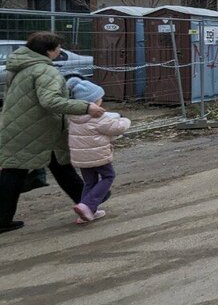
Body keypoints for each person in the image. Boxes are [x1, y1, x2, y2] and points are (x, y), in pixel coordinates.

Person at [0, 32, 105, 234]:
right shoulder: (45, 71)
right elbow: (50, 101)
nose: (59, 51)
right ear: (49, 51)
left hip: (21, 125)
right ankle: (90, 202)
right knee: (17, 172)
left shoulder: (21, 66)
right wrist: (86, 107)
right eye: (57, 48)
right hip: (37, 128)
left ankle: (89, 203)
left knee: (57, 167)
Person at [66, 78, 130, 224]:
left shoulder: (73, 116)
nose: (101, 100)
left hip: (81, 157)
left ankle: (88, 212)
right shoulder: (99, 116)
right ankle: (87, 206)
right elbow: (116, 128)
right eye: (99, 98)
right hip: (98, 155)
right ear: (93, 102)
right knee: (108, 176)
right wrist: (126, 121)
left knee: (90, 182)